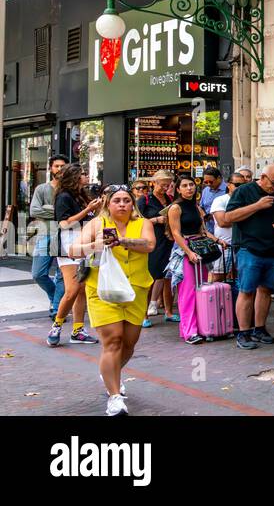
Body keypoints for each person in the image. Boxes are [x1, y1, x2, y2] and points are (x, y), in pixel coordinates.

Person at [69, 185, 156, 415]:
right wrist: (95, 245)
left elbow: (149, 245)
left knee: (129, 343)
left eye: (126, 200)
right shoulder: (97, 224)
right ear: (108, 203)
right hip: (102, 289)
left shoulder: (143, 223)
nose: (121, 204)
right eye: (116, 200)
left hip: (135, 289)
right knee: (114, 341)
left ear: (132, 203)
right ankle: (115, 397)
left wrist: (122, 241)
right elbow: (72, 250)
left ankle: (110, 373)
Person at [224, 163, 274, 349]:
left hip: (272, 248)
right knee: (246, 291)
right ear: (262, 177)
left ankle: (259, 329)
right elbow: (229, 217)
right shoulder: (244, 191)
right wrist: (257, 206)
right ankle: (243, 333)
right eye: (273, 182)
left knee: (266, 290)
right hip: (249, 248)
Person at [47, 164, 101, 347]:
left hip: (85, 243)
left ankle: (78, 330)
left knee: (82, 290)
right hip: (68, 245)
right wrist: (87, 210)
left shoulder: (82, 195)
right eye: (83, 174)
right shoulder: (63, 197)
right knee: (72, 290)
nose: (86, 177)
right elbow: (64, 224)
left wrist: (96, 208)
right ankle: (56, 326)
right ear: (75, 177)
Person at [168, 175, 225, 344]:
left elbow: (203, 230)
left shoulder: (196, 207)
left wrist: (218, 240)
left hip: (201, 248)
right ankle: (189, 331)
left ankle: (200, 327)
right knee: (187, 292)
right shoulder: (175, 208)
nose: (189, 188)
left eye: (191, 185)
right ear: (178, 189)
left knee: (200, 289)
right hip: (185, 249)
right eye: (184, 186)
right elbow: (175, 233)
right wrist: (188, 252)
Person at [28, 153, 68, 318]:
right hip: (45, 234)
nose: (59, 169)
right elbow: (34, 210)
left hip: (66, 235)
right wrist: (59, 212)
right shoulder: (42, 189)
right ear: (51, 168)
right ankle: (54, 298)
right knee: (38, 273)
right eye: (56, 166)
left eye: (62, 166)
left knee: (61, 274)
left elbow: (74, 212)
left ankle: (57, 309)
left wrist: (48, 210)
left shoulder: (70, 190)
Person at [139, 170, 177, 325]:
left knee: (167, 277)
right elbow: (137, 220)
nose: (165, 188)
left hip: (168, 240)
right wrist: (155, 220)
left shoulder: (169, 198)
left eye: (168, 185)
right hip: (153, 240)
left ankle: (168, 311)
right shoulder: (145, 199)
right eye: (162, 185)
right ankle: (144, 315)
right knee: (151, 277)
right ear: (154, 183)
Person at [209, 174, 240, 282]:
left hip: (241, 245)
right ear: (229, 185)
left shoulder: (246, 200)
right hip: (224, 245)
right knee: (218, 277)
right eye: (237, 184)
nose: (239, 187)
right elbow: (222, 222)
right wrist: (243, 219)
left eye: (243, 185)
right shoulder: (220, 200)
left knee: (238, 278)